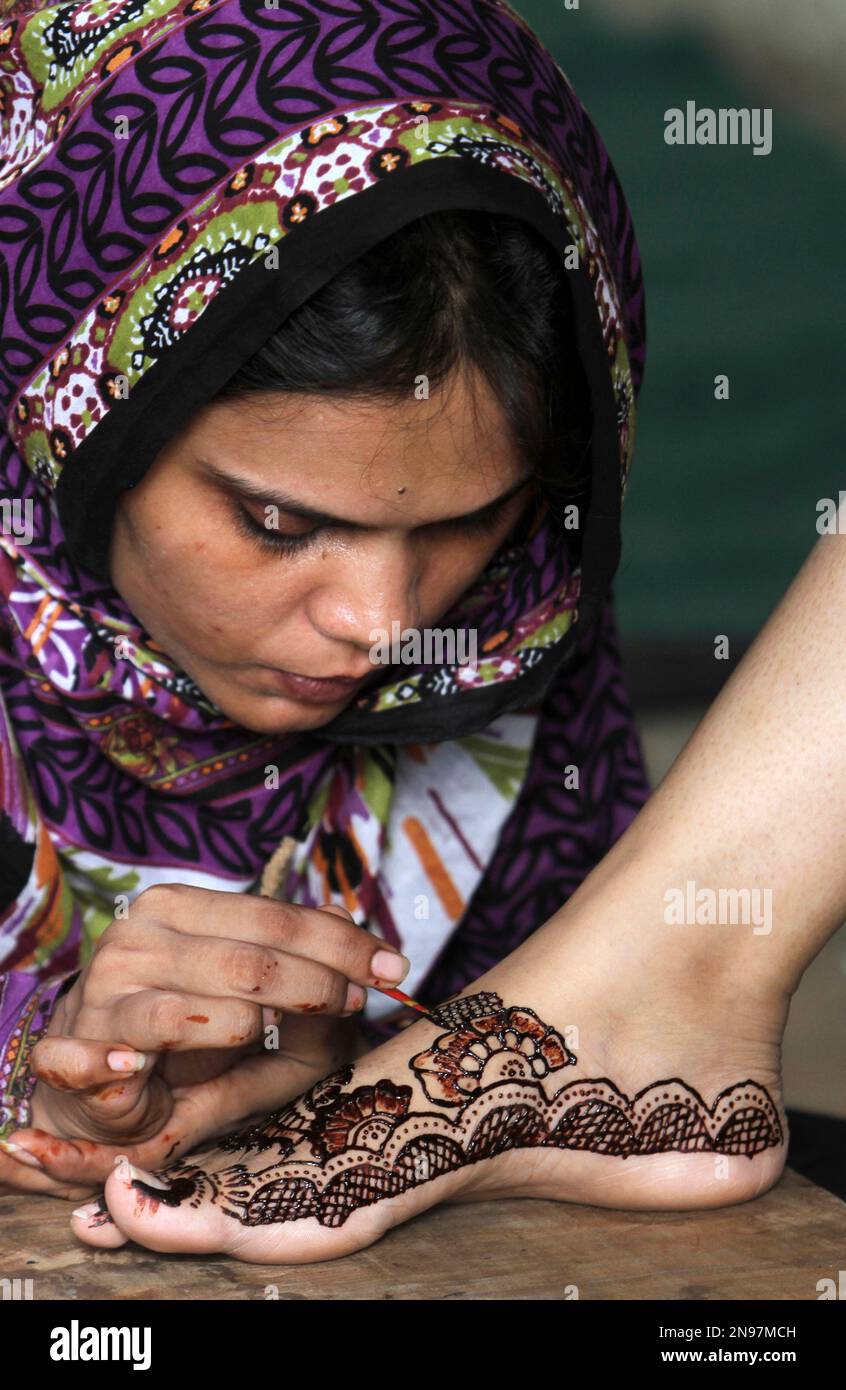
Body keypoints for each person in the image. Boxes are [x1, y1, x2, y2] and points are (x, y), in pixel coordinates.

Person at [0, 0, 649, 1199]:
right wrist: (28, 1079)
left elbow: (618, 1058)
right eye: (280, 523)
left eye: (465, 519)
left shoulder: (514, 631)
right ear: (70, 410)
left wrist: (355, 1070)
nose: (388, 622)